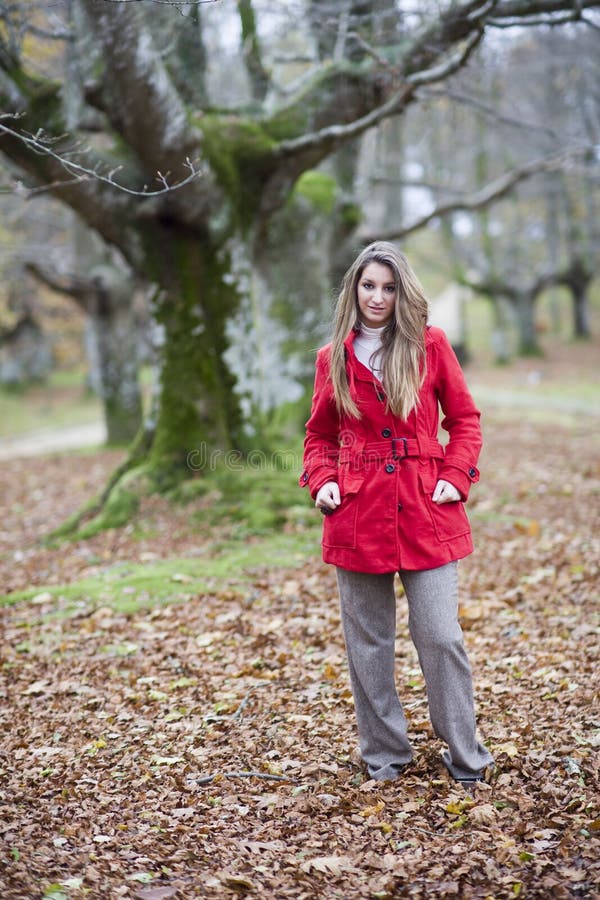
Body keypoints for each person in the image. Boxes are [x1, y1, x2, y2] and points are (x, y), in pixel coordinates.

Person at [299, 241, 494, 784]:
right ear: (353, 289)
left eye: (388, 286)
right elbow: (318, 435)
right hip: (358, 510)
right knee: (368, 644)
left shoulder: (430, 345)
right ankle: (385, 755)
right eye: (368, 285)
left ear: (402, 290)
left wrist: (455, 479)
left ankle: (465, 753)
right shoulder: (333, 356)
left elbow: (465, 420)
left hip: (427, 506)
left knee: (440, 635)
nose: (377, 297)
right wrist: (324, 481)